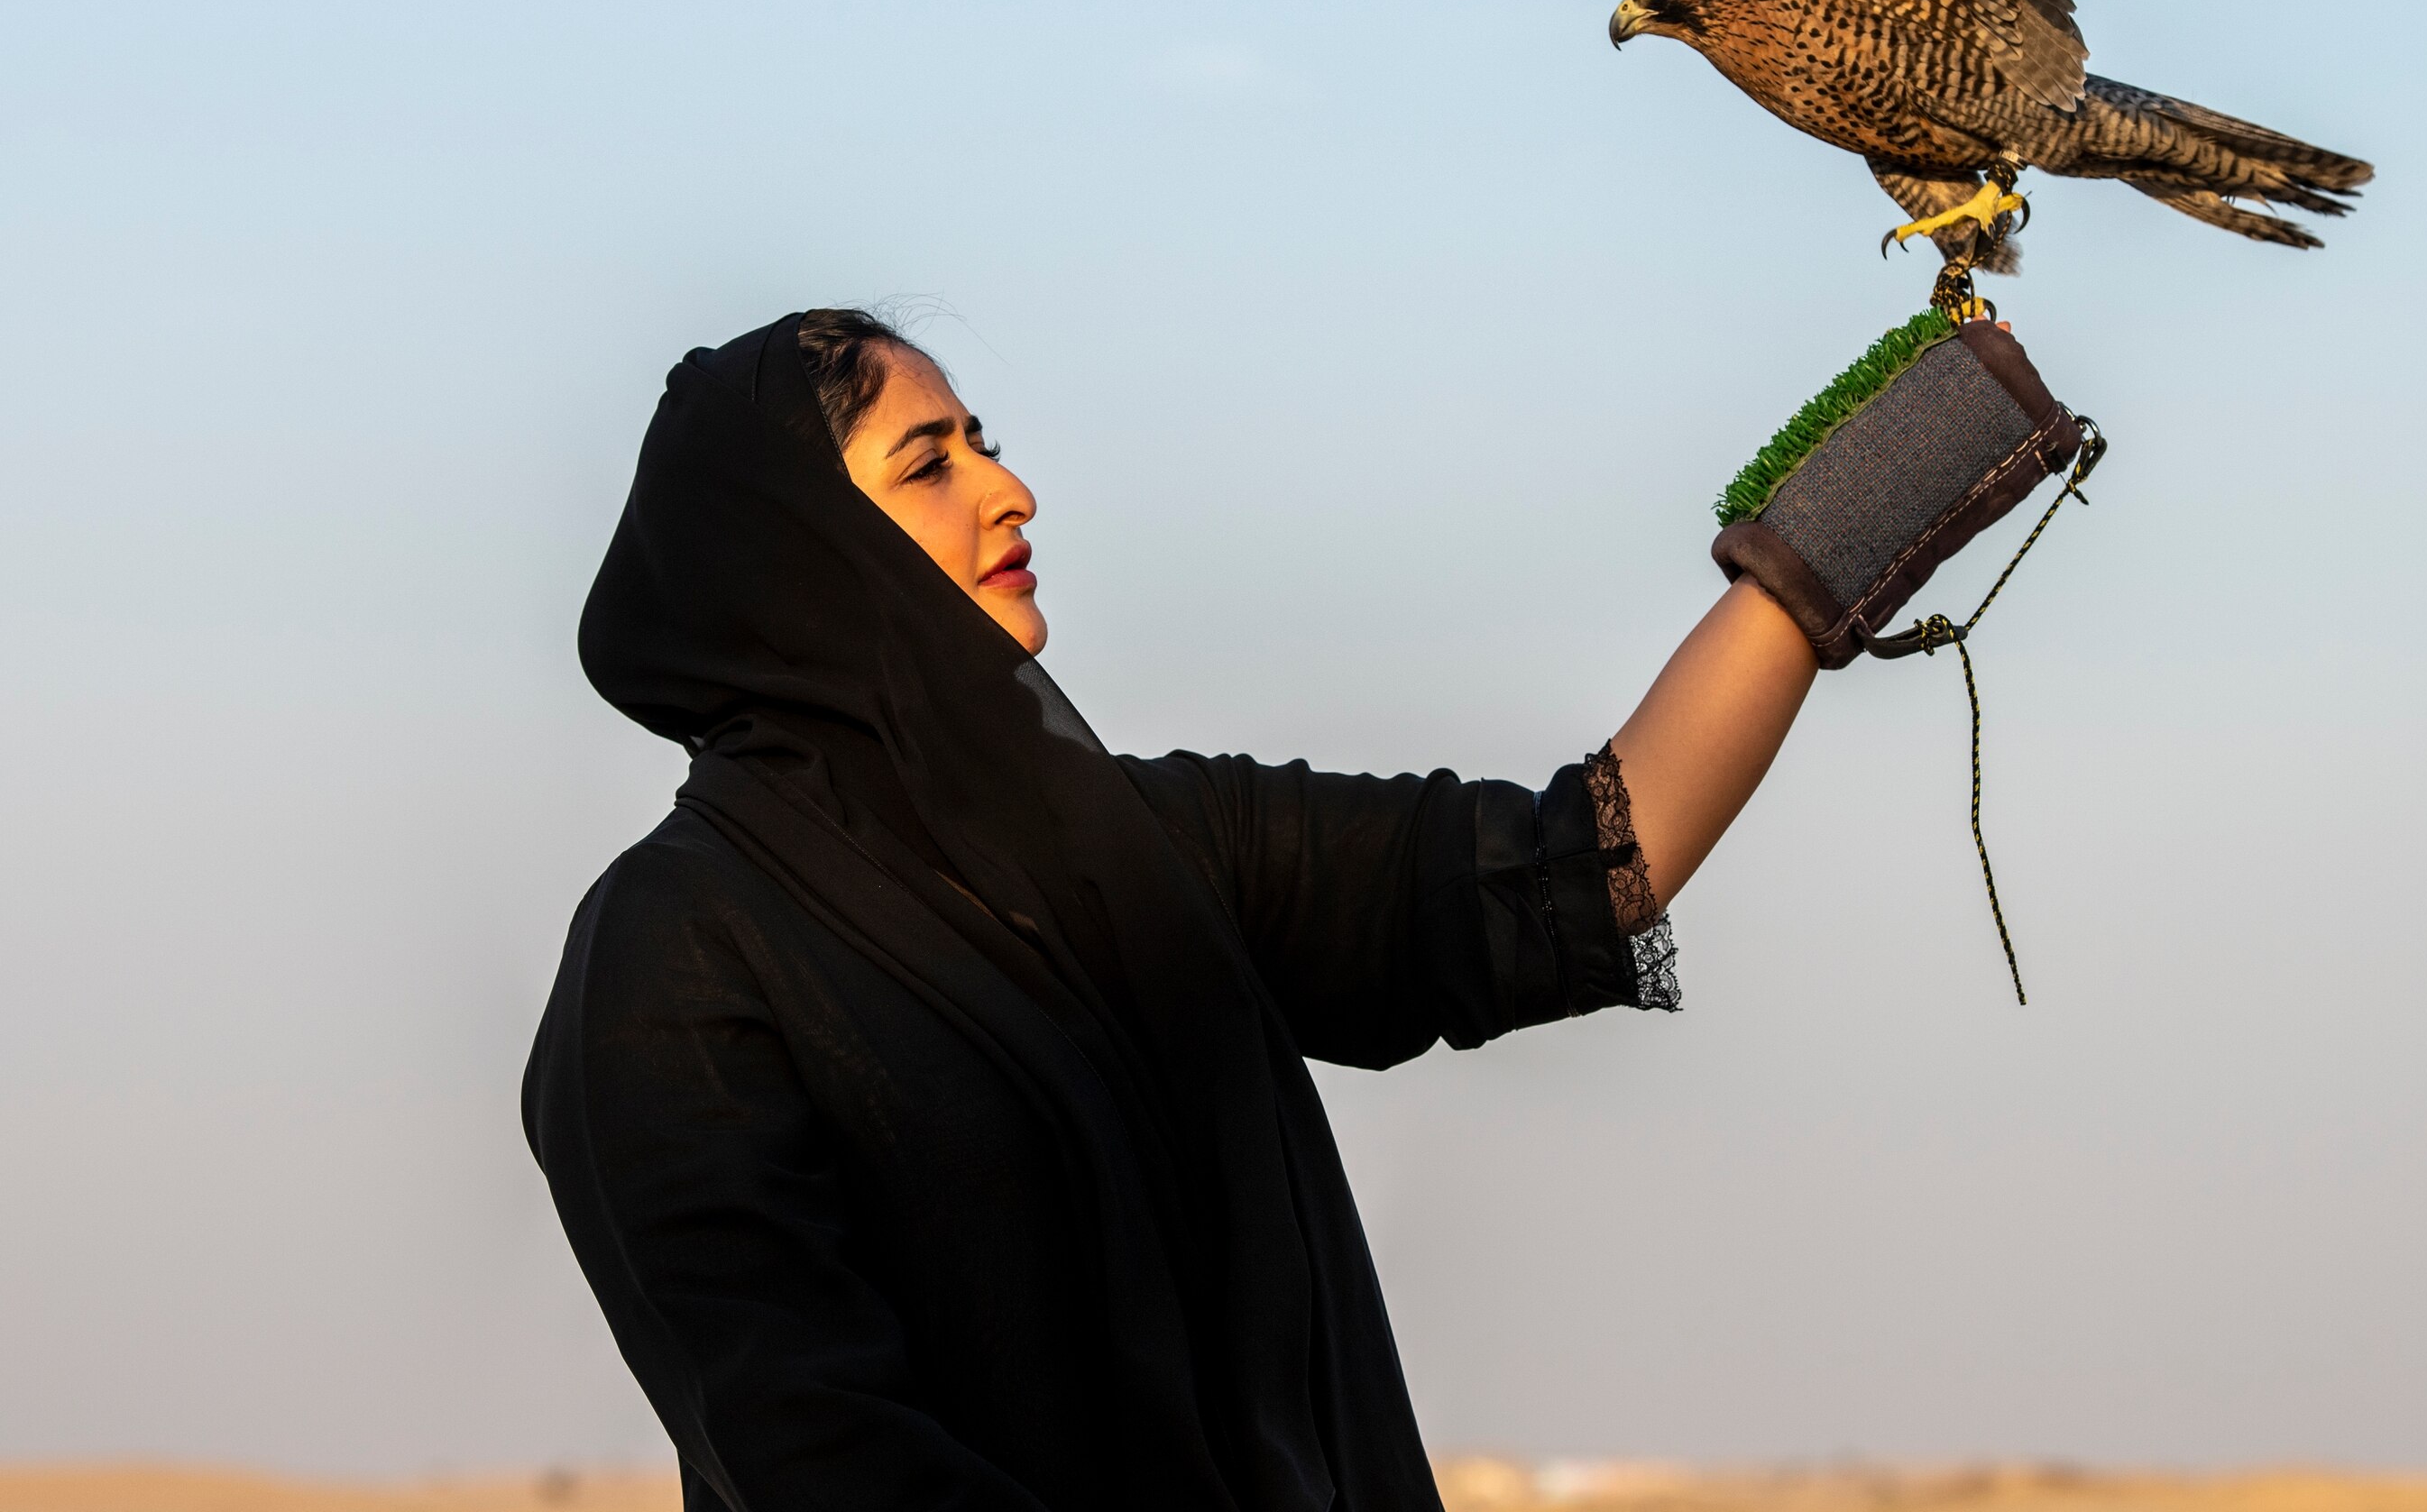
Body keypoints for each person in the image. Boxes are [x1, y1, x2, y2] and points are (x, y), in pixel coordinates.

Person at [523, 307, 1825, 1511]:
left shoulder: (1149, 845)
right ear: (792, 557)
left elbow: (1578, 870)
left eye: (986, 447)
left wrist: (1856, 512)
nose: (1008, 491)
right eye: (930, 466)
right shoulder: (670, 953)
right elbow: (810, 1444)